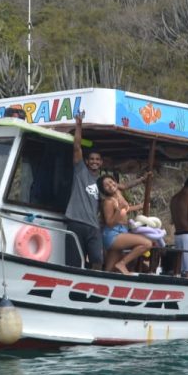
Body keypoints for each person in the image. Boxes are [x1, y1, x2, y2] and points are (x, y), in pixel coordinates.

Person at [64, 111, 104, 269]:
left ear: (101, 162)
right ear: (87, 161)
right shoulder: (81, 171)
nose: (94, 162)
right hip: (76, 221)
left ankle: (95, 286)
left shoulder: (103, 182)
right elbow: (76, 147)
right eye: (91, 159)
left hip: (93, 226)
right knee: (74, 262)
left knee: (97, 259)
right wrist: (79, 125)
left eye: (97, 159)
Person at [97, 174, 153, 274]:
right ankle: (122, 264)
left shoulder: (118, 192)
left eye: (111, 181)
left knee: (108, 270)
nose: (110, 185)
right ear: (104, 190)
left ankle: (101, 284)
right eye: (106, 185)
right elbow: (109, 222)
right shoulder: (108, 202)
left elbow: (125, 209)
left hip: (122, 230)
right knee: (147, 243)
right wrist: (119, 208)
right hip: (113, 234)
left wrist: (140, 206)